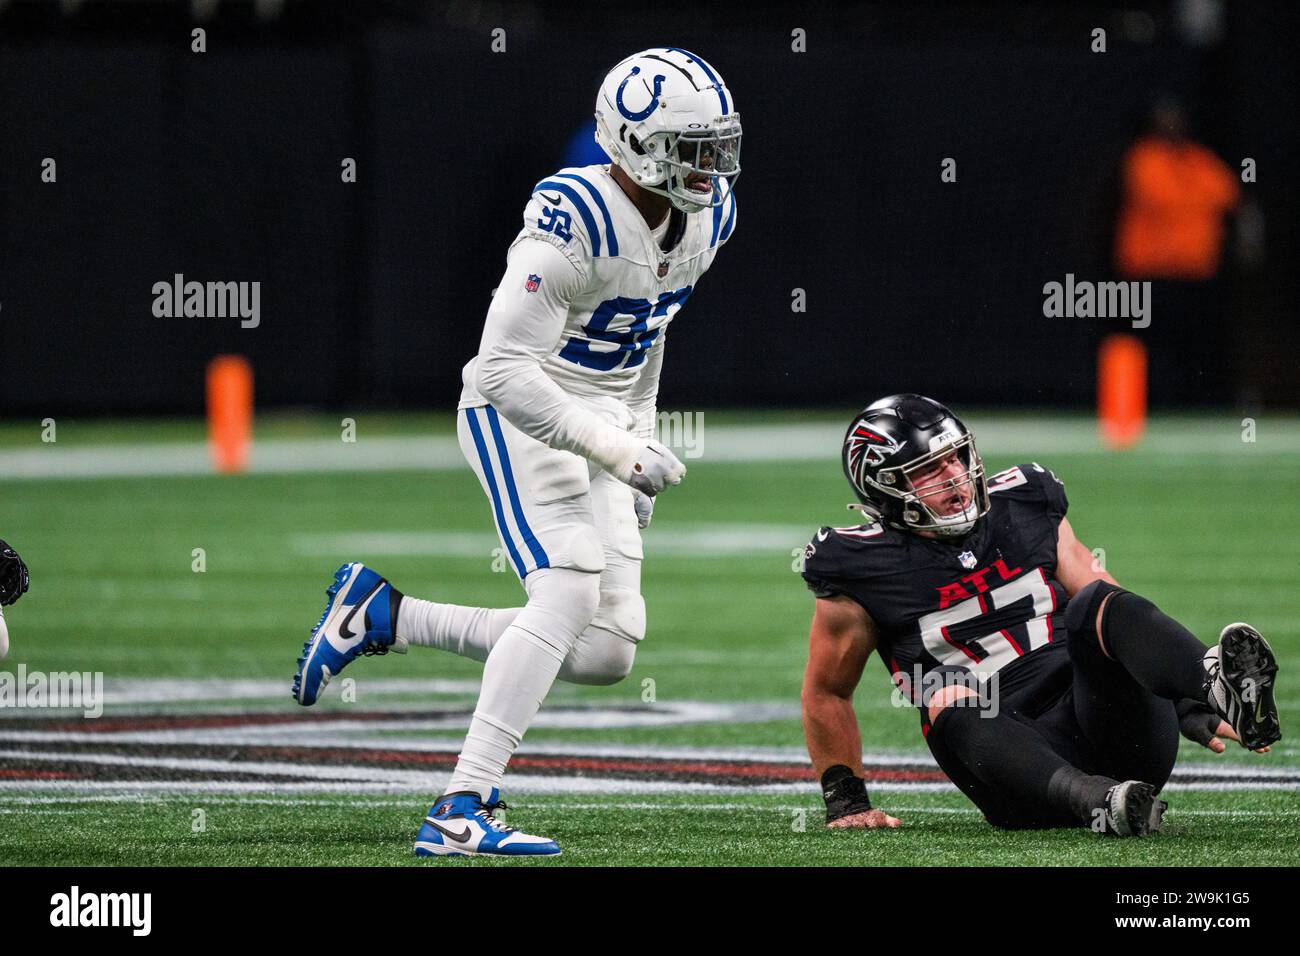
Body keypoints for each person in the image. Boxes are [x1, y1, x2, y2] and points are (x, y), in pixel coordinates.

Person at [291, 48, 741, 857]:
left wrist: (635, 436)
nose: (711, 166)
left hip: (600, 410)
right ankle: (462, 804)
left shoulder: (709, 216)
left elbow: (650, 333)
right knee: (567, 588)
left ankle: (385, 614)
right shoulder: (578, 218)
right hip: (519, 406)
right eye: (691, 147)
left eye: (717, 145)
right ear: (634, 141)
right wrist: (613, 446)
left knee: (605, 649)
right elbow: (501, 369)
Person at [799, 394, 1280, 836]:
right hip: (1017, 778)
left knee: (1093, 598)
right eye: (929, 469)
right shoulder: (857, 566)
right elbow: (827, 690)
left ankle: (1211, 681)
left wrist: (1181, 701)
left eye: (956, 457)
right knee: (943, 695)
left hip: (1109, 727)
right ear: (885, 486)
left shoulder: (1024, 500)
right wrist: (847, 802)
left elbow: (1108, 610)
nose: (955, 477)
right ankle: (1095, 800)